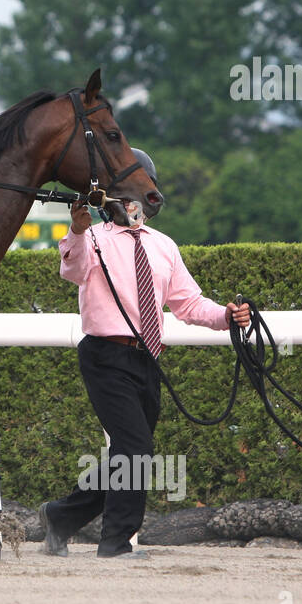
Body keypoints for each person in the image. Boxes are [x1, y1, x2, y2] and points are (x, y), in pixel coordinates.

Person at [39, 149, 251, 558]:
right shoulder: (95, 240)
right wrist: (78, 231)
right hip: (105, 354)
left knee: (129, 451)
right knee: (135, 447)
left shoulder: (165, 246)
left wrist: (226, 315)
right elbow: (74, 271)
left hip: (147, 358)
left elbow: (188, 303)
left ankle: (61, 516)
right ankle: (116, 542)